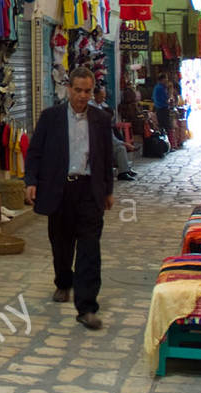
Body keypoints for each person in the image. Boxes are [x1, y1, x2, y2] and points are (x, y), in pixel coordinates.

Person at [25, 67, 115, 330]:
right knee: (61, 244)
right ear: (68, 89)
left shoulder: (100, 119)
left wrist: (108, 190)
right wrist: (31, 181)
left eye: (88, 91)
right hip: (59, 190)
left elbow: (107, 157)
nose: (83, 96)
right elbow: (35, 152)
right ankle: (63, 282)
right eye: (78, 90)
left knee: (90, 248)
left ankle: (86, 307)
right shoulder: (50, 118)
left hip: (89, 190)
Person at [93, 86, 136, 181]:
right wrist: (123, 143)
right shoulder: (93, 108)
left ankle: (125, 170)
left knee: (119, 144)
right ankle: (123, 172)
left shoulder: (100, 105)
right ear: (95, 95)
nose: (104, 99)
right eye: (102, 97)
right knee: (120, 147)